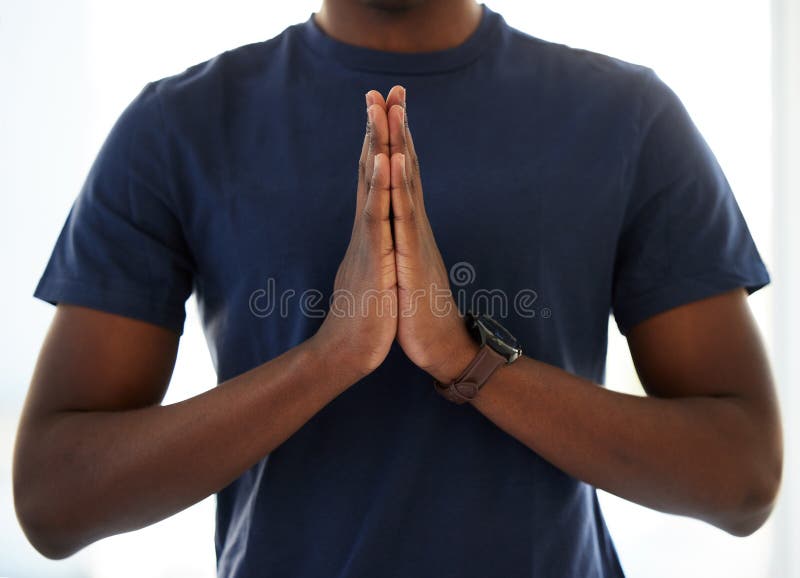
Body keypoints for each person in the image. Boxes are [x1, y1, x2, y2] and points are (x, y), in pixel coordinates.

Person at [13, 0, 782, 576]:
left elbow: (742, 478)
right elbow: (55, 498)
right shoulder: (176, 126)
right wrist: (333, 356)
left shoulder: (629, 118)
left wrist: (460, 356)